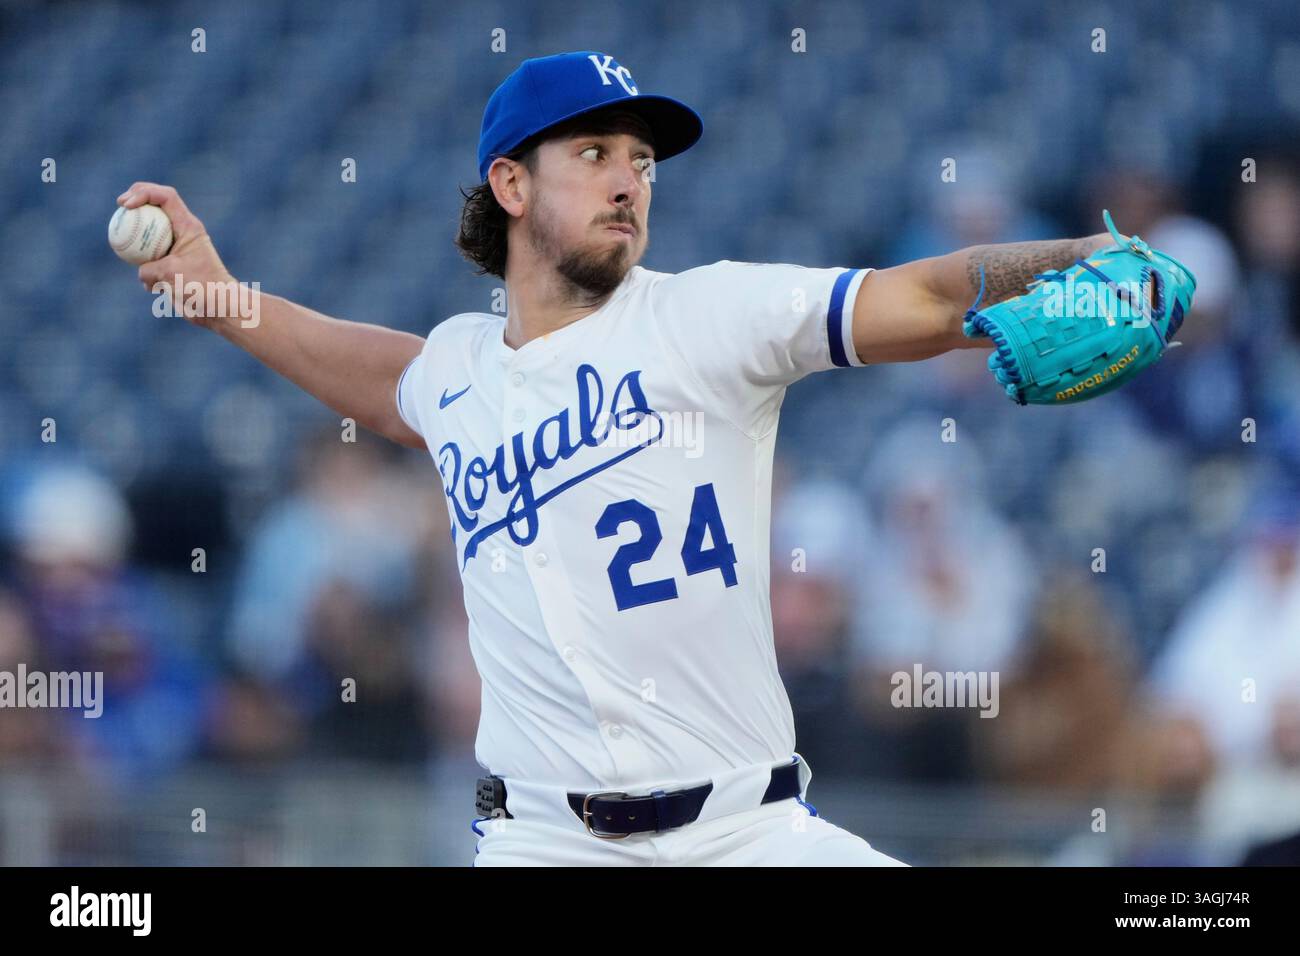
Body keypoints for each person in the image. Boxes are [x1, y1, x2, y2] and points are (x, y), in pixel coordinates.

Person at [116, 50, 1114, 866]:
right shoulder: (456, 372)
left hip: (749, 831)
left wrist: (1080, 262)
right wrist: (218, 297)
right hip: (546, 842)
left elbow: (931, 297)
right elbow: (378, 378)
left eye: (639, 158)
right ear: (509, 182)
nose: (628, 179)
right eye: (593, 152)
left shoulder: (709, 314)